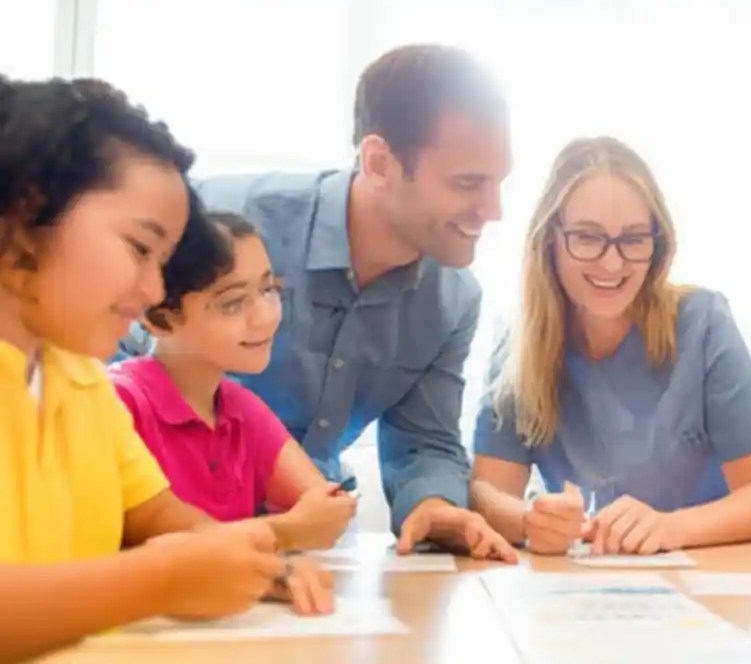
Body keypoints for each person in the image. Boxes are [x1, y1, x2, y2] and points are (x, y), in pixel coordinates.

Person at [119, 44, 517, 561]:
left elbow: (425, 442)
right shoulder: (219, 222)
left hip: (307, 551)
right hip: (160, 538)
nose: (494, 210)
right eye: (468, 183)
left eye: (499, 181)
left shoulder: (454, 301)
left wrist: (435, 505)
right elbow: (99, 353)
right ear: (379, 163)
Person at [0, 76, 330, 662]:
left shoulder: (78, 379)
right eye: (138, 248)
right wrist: (159, 580)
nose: (153, 289)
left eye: (164, 262)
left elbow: (153, 512)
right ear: (26, 213)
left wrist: (245, 562)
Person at [470, 136, 751, 556]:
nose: (612, 263)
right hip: (597, 581)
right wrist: (529, 520)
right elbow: (486, 493)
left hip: (719, 566)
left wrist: (672, 528)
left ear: (657, 244)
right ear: (550, 239)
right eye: (587, 238)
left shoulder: (702, 323)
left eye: (634, 239)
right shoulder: (519, 345)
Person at [111, 211, 356, 550]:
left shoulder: (240, 407)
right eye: (233, 304)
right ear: (160, 319)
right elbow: (147, 539)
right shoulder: (120, 403)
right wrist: (285, 530)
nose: (266, 316)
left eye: (269, 289)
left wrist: (315, 515)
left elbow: (323, 506)